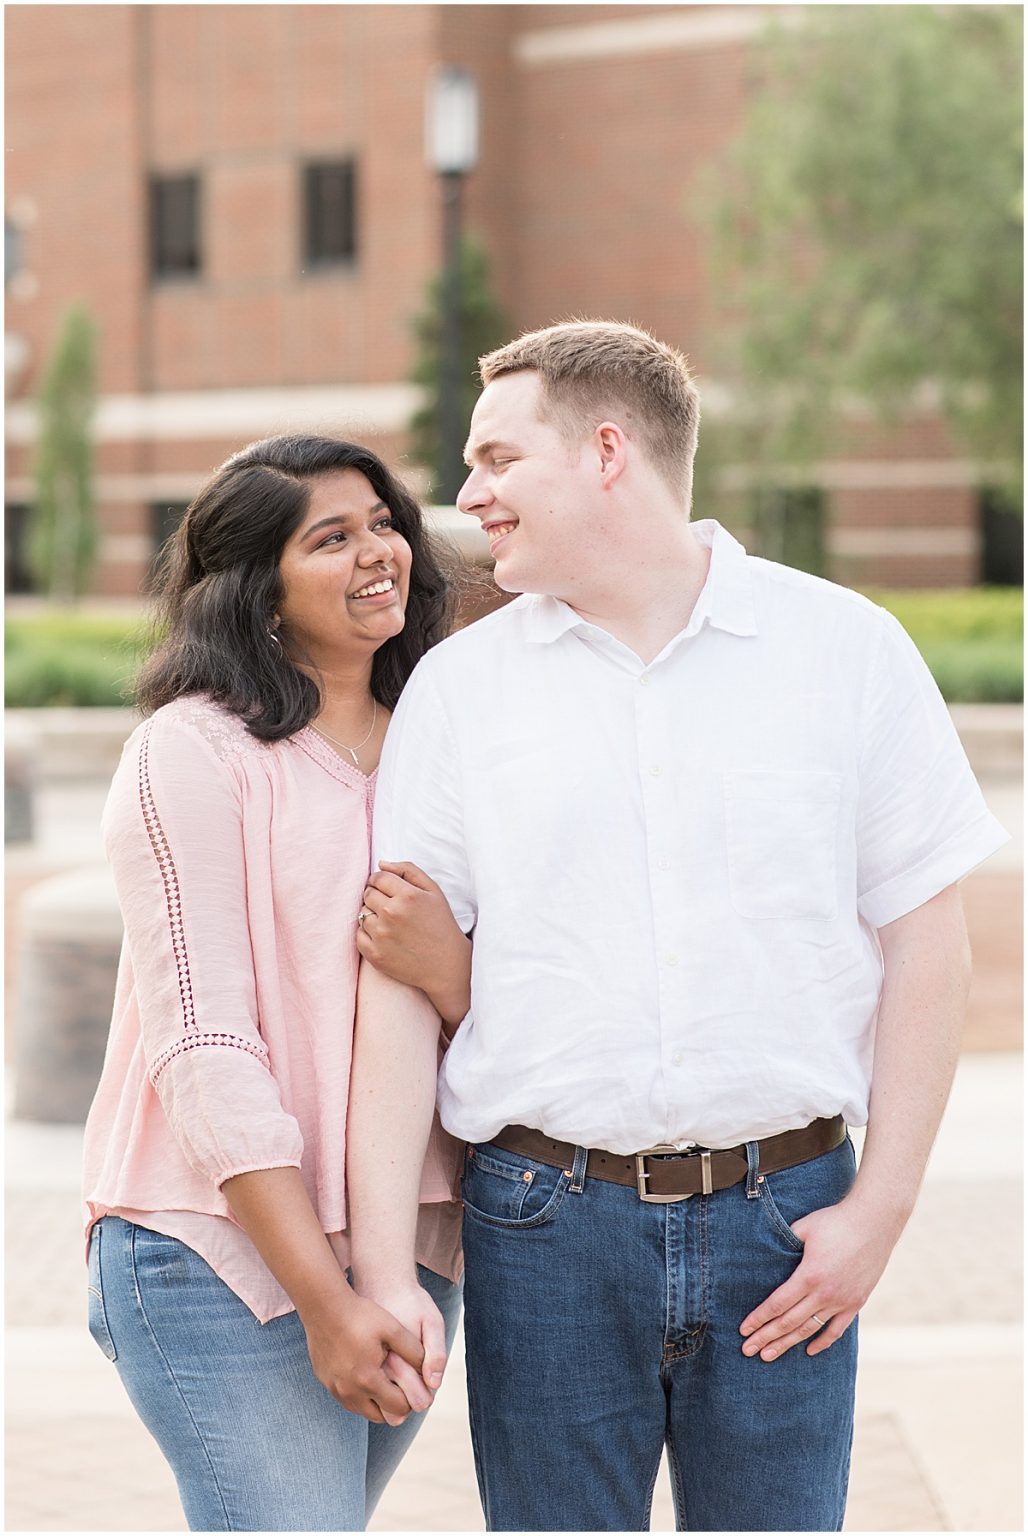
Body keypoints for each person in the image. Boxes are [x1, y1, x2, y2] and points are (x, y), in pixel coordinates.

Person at [347, 320, 1008, 1533]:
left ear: (606, 452)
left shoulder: (843, 651)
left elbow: (928, 939)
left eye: (497, 459)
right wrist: (385, 1267)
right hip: (540, 1227)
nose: (467, 494)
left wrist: (879, 1213)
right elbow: (392, 981)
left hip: (786, 1220)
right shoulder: (461, 689)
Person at [81, 434, 472, 1533]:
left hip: (416, 1235)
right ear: (257, 587)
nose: (376, 551)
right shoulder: (191, 754)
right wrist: (324, 1301)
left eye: (384, 523)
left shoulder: (443, 748)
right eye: (331, 537)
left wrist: (455, 975)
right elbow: (202, 1047)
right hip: (220, 1250)